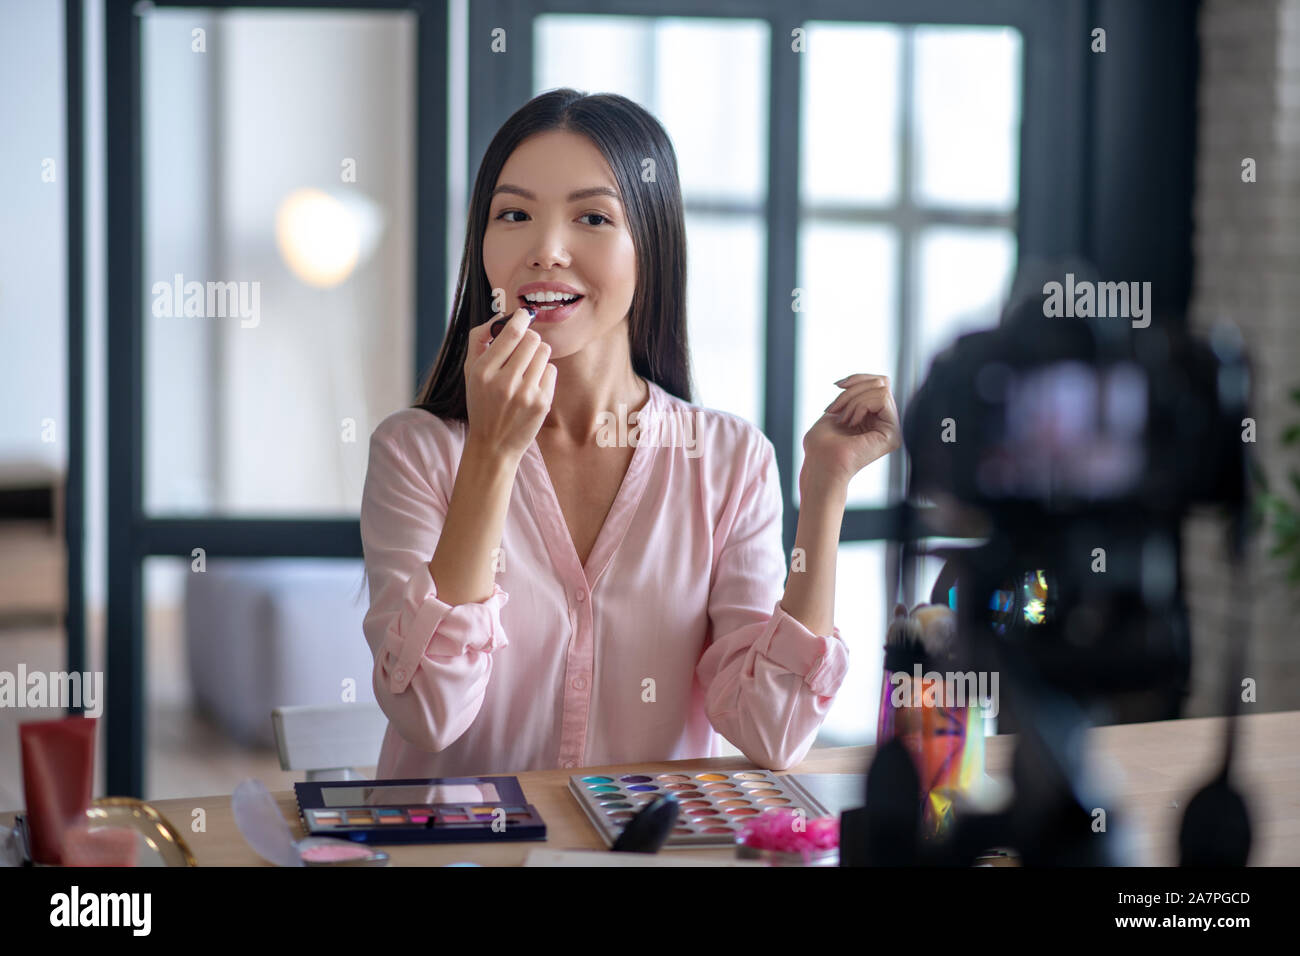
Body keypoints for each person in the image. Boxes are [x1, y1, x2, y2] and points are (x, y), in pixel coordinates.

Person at [360, 88, 900, 779]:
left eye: (592, 217)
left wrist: (825, 491)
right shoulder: (414, 452)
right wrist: (492, 455)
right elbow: (429, 713)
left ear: (652, 244)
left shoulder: (729, 460)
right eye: (514, 214)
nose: (546, 250)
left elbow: (773, 730)